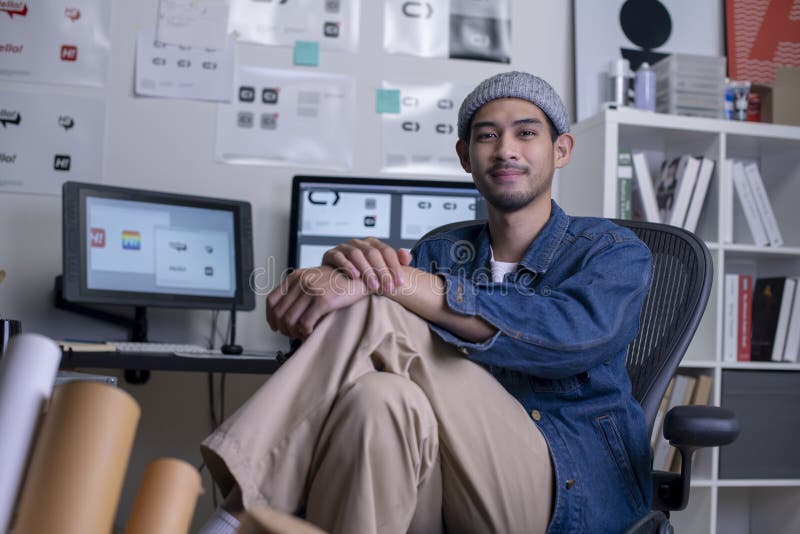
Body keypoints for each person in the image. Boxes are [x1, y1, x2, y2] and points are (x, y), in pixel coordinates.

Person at [198, 71, 654, 534]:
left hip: (565, 495)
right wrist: (327, 276)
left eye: (526, 132)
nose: (506, 149)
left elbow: (569, 336)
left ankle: (238, 513)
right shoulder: (440, 251)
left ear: (561, 151)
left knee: (378, 304)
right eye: (487, 136)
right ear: (464, 156)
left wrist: (382, 283)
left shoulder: (611, 249)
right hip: (451, 490)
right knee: (378, 400)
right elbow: (362, 341)